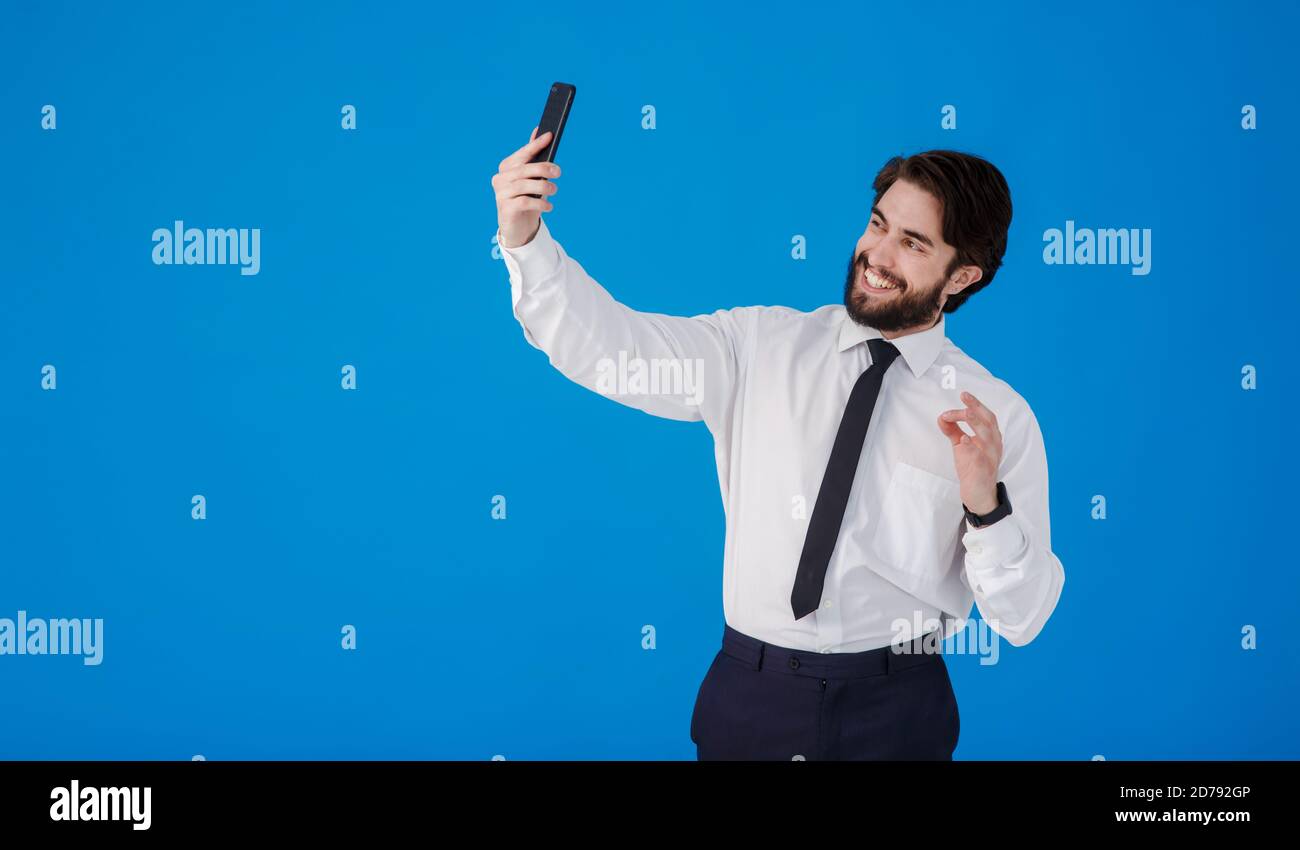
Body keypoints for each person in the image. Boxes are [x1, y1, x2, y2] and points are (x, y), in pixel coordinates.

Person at [491, 127, 1065, 760]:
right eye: (878, 224)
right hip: (752, 696)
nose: (876, 255)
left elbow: (1023, 617)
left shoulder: (995, 417)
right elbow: (613, 349)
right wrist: (526, 240)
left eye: (912, 243)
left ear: (962, 276)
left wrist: (987, 507)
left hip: (899, 710)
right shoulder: (759, 346)